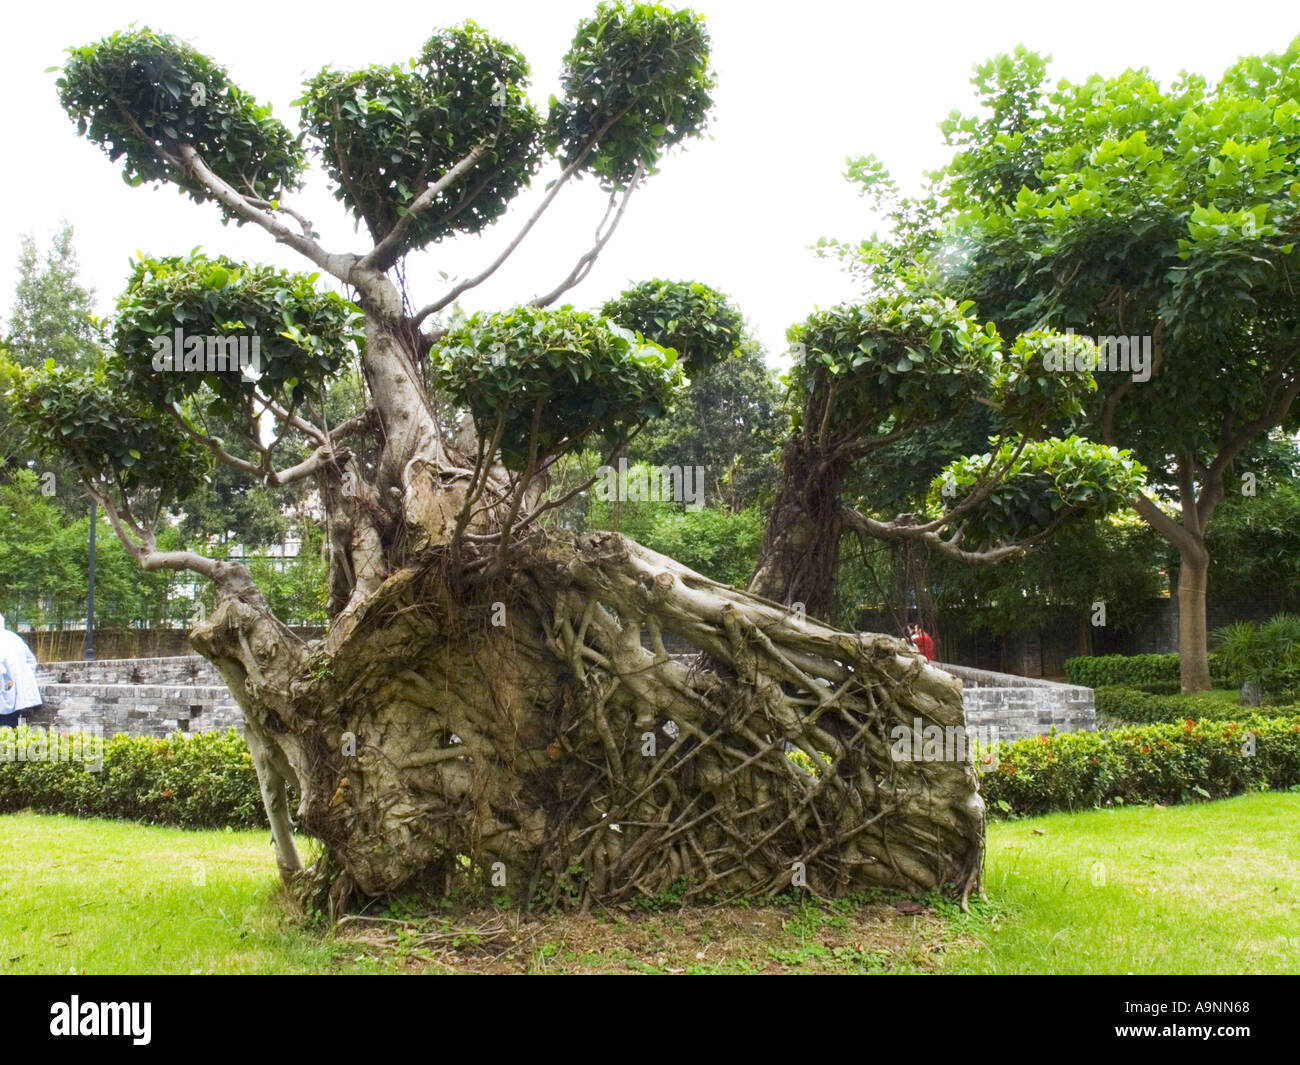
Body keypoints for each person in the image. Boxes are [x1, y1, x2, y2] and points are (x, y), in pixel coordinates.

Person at [0, 613, 41, 728]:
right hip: (19, 691)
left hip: (6, 691)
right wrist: (24, 678)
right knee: (14, 726)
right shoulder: (14, 637)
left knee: (5, 726)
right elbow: (31, 661)